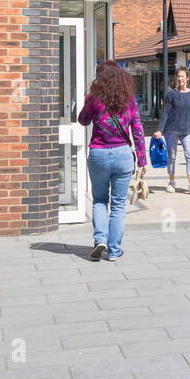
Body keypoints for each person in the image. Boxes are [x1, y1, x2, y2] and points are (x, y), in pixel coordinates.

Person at [77, 60, 147, 261]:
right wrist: (142, 160)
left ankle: (100, 239)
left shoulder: (94, 99)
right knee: (118, 205)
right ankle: (114, 250)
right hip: (123, 155)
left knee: (99, 200)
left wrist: (86, 101)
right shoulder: (129, 100)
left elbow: (83, 120)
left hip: (99, 154)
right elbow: (138, 131)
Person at [154, 68, 190, 194]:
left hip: (186, 129)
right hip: (171, 130)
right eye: (178, 76)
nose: (180, 79)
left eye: (182, 76)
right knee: (172, 157)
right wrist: (160, 129)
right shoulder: (171, 94)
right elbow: (166, 112)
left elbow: (188, 113)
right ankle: (171, 182)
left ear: (187, 78)